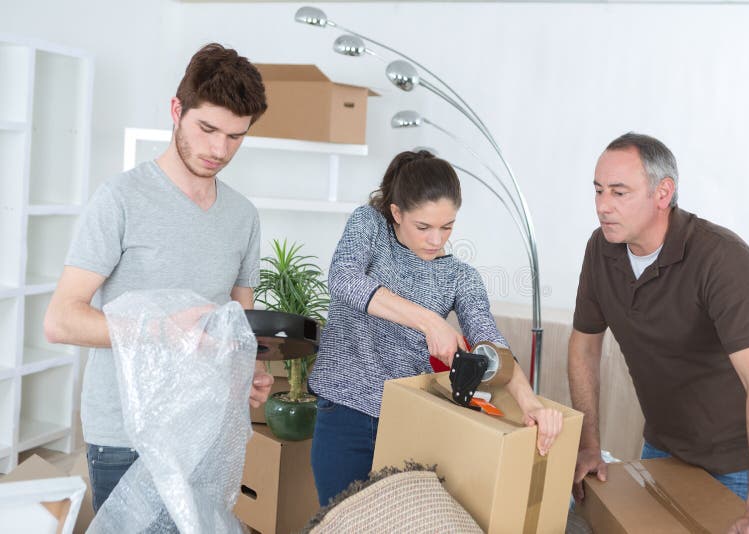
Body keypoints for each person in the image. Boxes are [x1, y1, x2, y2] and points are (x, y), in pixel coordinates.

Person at [44, 43, 275, 512]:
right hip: (125, 433)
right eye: (207, 129)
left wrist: (249, 368)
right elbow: (61, 320)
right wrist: (163, 331)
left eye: (236, 136)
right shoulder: (120, 199)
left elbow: (239, 320)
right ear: (176, 110)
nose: (219, 150)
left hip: (208, 431)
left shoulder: (243, 216)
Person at [568, 132, 749, 532]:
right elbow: (584, 349)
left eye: (619, 192)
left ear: (663, 193)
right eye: (599, 190)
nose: (603, 205)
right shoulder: (601, 249)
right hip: (665, 444)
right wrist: (589, 445)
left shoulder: (722, 258)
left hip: (737, 457)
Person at [307, 149, 564, 506]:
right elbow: (344, 279)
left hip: (409, 419)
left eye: (447, 227)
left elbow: (491, 342)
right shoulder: (369, 225)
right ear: (397, 213)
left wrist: (529, 402)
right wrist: (430, 321)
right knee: (339, 522)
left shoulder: (460, 276)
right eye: (424, 227)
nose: (436, 240)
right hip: (344, 412)